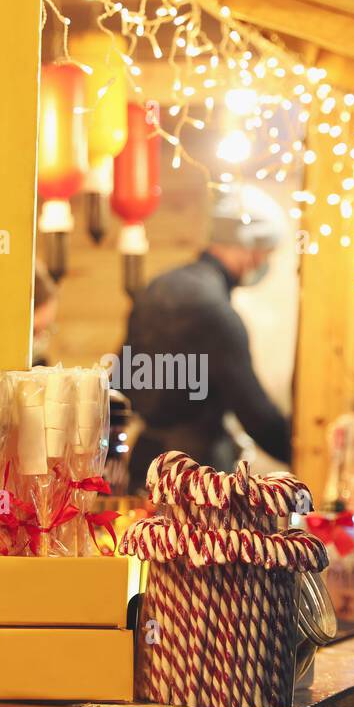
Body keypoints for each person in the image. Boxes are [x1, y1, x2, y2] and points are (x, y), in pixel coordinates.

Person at [123, 185, 292, 483]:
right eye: (262, 253)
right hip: (198, 475)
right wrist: (304, 450)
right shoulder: (216, 313)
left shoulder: (157, 287)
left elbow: (122, 378)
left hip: (145, 464)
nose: (260, 263)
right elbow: (255, 414)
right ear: (248, 247)